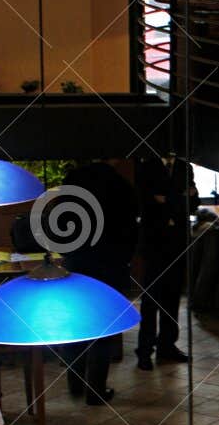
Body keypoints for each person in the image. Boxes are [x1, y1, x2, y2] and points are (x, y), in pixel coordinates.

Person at [61, 159, 138, 406]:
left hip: (77, 261)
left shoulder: (72, 181)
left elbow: (61, 223)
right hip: (110, 263)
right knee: (103, 329)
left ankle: (74, 383)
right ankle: (95, 390)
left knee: (75, 325)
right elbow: (132, 221)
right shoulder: (118, 184)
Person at [134, 153, 196, 369]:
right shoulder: (145, 166)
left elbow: (194, 203)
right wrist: (179, 197)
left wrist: (167, 199)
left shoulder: (184, 167)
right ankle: (144, 351)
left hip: (177, 242)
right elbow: (145, 203)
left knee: (172, 296)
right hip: (153, 243)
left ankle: (167, 345)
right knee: (151, 299)